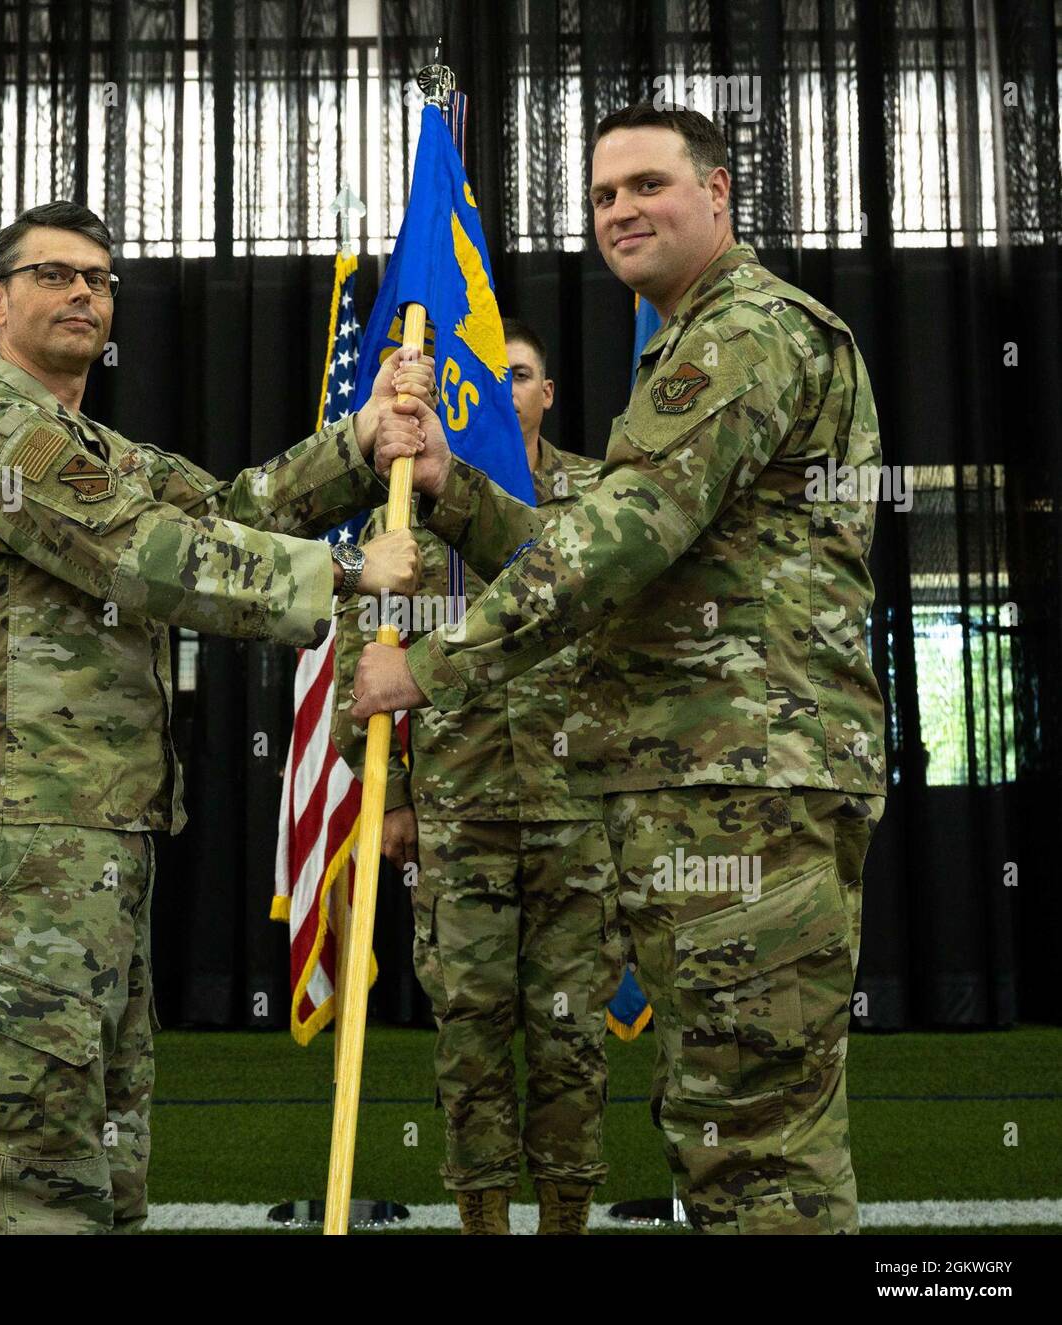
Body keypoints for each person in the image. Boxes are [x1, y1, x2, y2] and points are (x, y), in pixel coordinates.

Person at [352, 104, 888, 1235]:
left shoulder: (740, 331)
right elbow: (617, 541)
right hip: (707, 782)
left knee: (752, 1139)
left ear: (720, 192)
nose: (620, 211)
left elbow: (620, 538)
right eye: (601, 196)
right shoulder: (691, 337)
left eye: (648, 184)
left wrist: (431, 663)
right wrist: (453, 490)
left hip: (742, 785)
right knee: (725, 1119)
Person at [0, 200, 430, 1234]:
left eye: (99, 278)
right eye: (54, 275)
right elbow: (148, 558)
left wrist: (361, 444)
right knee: (33, 1178)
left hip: (96, 839)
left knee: (105, 1155)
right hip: (20, 848)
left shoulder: (97, 448)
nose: (84, 293)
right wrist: (354, 567)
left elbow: (231, 511)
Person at [333, 320, 619, 1235]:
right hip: (461, 810)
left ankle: (567, 1214)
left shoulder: (595, 499)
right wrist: (398, 796)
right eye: (489, 376)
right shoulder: (405, 511)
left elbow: (614, 624)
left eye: (521, 375)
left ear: (545, 396)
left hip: (576, 811)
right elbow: (362, 653)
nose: (505, 388)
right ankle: (484, 1219)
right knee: (470, 1031)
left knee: (571, 1037)